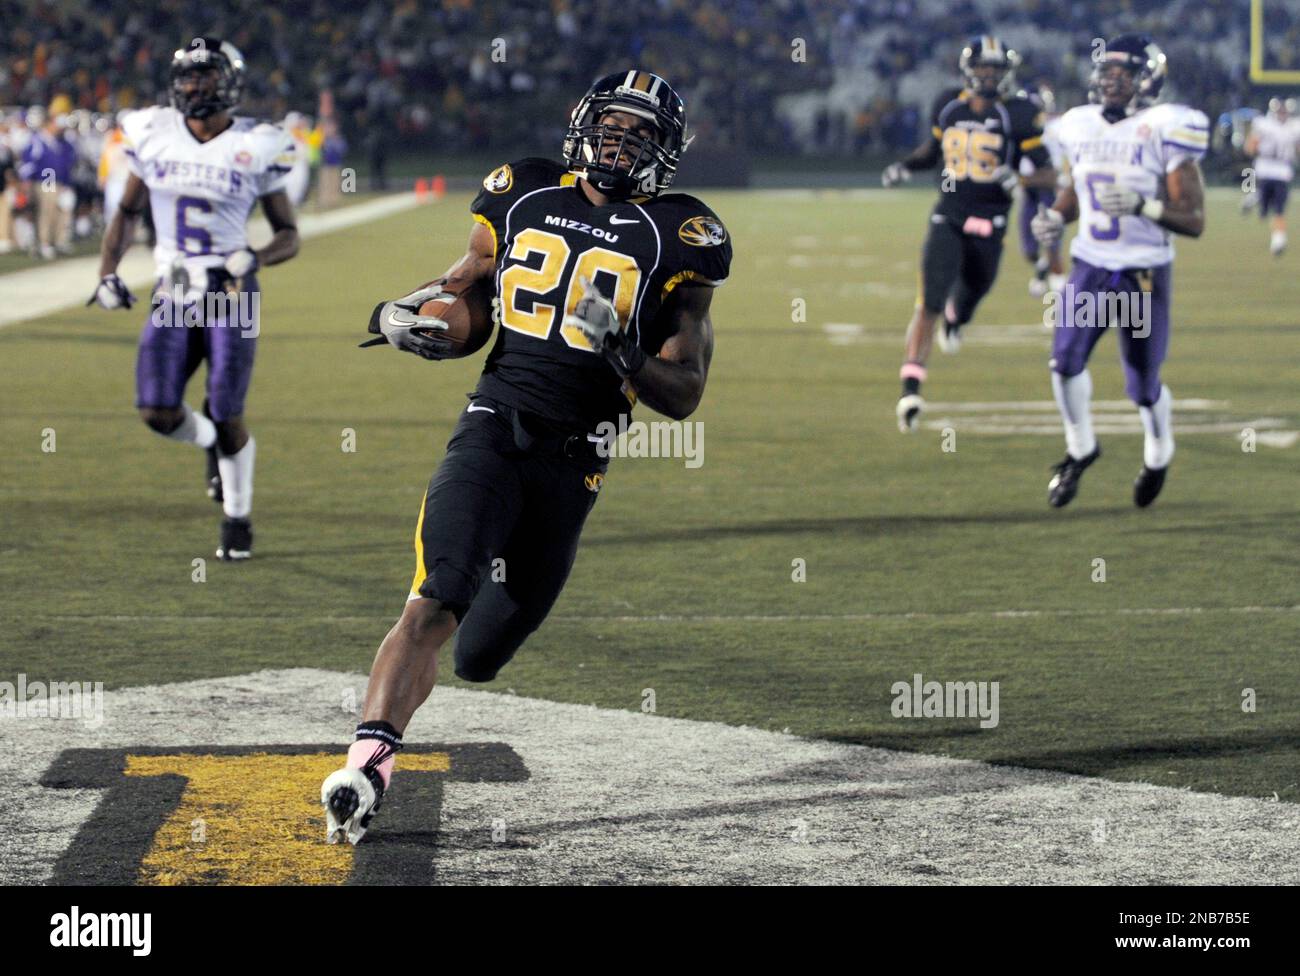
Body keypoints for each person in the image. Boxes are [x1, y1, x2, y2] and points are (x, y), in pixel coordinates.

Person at [321, 70, 732, 846]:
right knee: (435, 597)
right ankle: (367, 765)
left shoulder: (682, 234)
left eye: (639, 132)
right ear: (582, 125)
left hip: (575, 464)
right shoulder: (526, 191)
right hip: (494, 424)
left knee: (479, 656)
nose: (621, 141)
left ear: (665, 149)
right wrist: (402, 314)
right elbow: (464, 291)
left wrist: (624, 352)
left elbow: (683, 392)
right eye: (611, 125)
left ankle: (415, 706)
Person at [88, 37, 300, 559]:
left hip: (232, 286)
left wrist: (256, 257)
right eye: (186, 76)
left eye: (204, 75)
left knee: (229, 407)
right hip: (176, 283)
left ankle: (237, 517)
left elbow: (288, 233)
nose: (192, 85)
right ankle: (207, 440)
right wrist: (108, 274)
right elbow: (127, 214)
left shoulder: (258, 142)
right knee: (156, 410)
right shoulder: (153, 131)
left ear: (228, 82)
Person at [1031, 34, 1207, 508]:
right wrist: (1055, 216)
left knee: (1143, 385)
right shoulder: (1080, 125)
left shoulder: (1165, 128)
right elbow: (1077, 194)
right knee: (1064, 361)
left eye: (1122, 74)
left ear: (1146, 80)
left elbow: (1194, 221)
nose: (1110, 81)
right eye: (1106, 73)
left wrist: (1142, 206)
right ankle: (1081, 448)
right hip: (1090, 264)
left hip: (1143, 273)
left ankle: (1158, 447)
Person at [882, 36, 1057, 432]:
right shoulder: (949, 104)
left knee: (975, 290)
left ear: (1006, 73)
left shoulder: (1019, 112)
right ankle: (910, 390)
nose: (988, 75)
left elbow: (1049, 172)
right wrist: (905, 167)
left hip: (990, 225)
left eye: (995, 69)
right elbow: (933, 150)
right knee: (929, 299)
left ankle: (957, 319)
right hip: (948, 216)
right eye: (982, 68)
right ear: (969, 70)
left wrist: (1020, 177)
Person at [1244, 97, 1300, 256]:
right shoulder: (1290, 126)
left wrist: (1252, 151)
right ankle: (1255, 197)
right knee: (1267, 210)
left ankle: (1278, 240)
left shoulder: (1265, 125)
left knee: (1277, 209)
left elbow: (1250, 147)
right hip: (1274, 169)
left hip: (1273, 169)